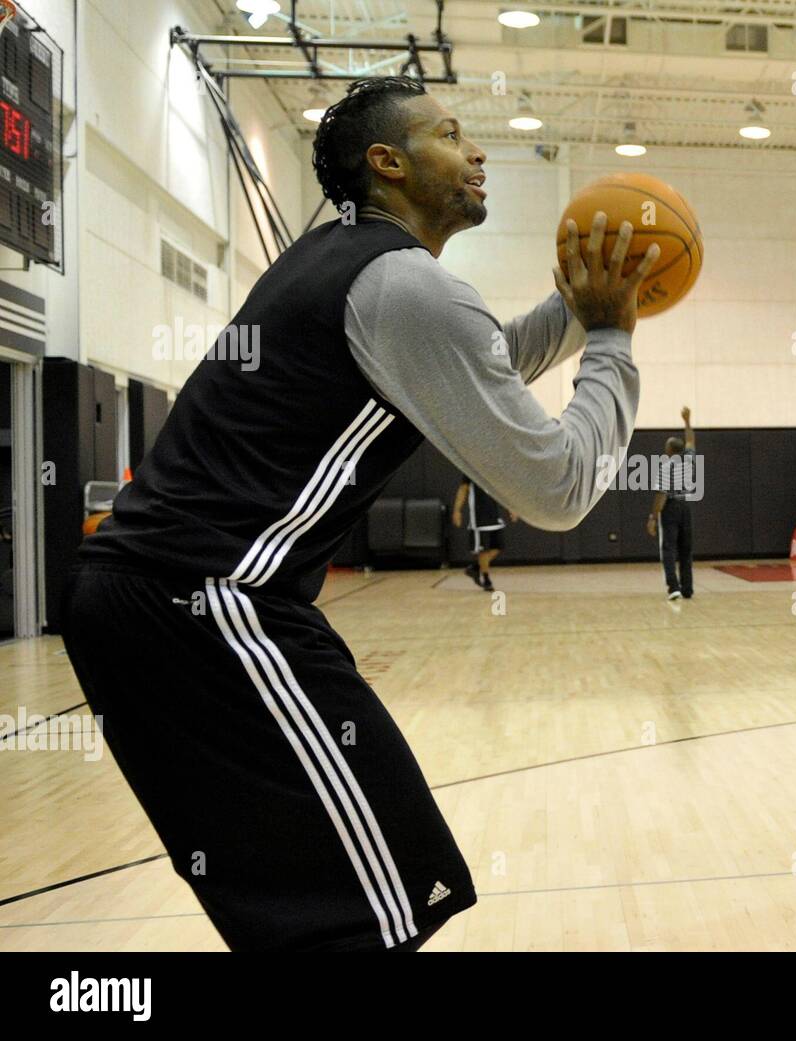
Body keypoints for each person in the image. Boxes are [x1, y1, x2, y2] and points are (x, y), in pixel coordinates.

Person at [59, 77, 657, 950]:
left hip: (156, 605)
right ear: (388, 163)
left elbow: (474, 364)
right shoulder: (402, 285)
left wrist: (578, 309)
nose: (479, 152)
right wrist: (609, 341)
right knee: (378, 908)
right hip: (208, 606)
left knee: (325, 914)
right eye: (452, 135)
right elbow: (560, 489)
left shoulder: (341, 258)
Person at [648, 407, 697, 600]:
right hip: (686, 507)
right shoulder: (690, 460)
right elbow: (691, 440)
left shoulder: (666, 467)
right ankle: (688, 588)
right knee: (686, 549)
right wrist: (687, 421)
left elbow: (661, 496)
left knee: (668, 548)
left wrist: (653, 517)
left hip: (670, 509)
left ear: (669, 450)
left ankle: (673, 587)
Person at [452, 475, 516, 591]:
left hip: (494, 517)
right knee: (484, 550)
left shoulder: (490, 469)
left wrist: (511, 508)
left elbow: (502, 491)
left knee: (498, 547)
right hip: (479, 518)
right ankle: (486, 579)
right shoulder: (469, 469)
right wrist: (457, 510)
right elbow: (463, 490)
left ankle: (476, 568)